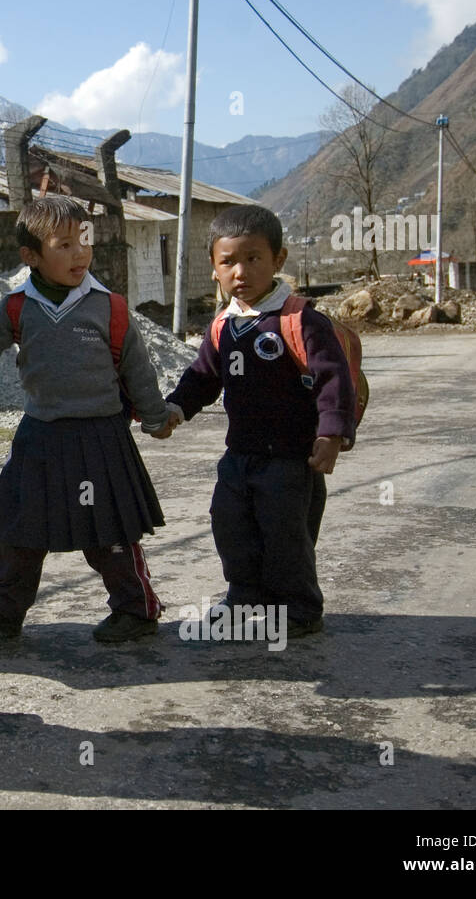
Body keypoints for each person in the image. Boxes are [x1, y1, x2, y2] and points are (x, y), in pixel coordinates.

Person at [0, 195, 175, 643]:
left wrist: (155, 416)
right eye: (64, 245)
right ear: (30, 256)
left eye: (84, 242)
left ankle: (136, 609)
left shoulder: (110, 307)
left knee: (108, 530)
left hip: (100, 435)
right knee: (19, 524)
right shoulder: (16, 307)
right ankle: (6, 606)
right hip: (40, 434)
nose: (80, 254)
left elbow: (136, 369)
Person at [163, 204, 356, 638]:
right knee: (230, 523)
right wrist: (175, 410)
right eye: (228, 261)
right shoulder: (223, 326)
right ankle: (245, 594)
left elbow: (333, 378)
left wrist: (331, 433)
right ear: (214, 268)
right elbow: (202, 377)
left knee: (286, 535)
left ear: (278, 260)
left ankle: (301, 607)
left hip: (290, 459)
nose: (240, 271)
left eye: (253, 259)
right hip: (240, 455)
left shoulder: (300, 319)